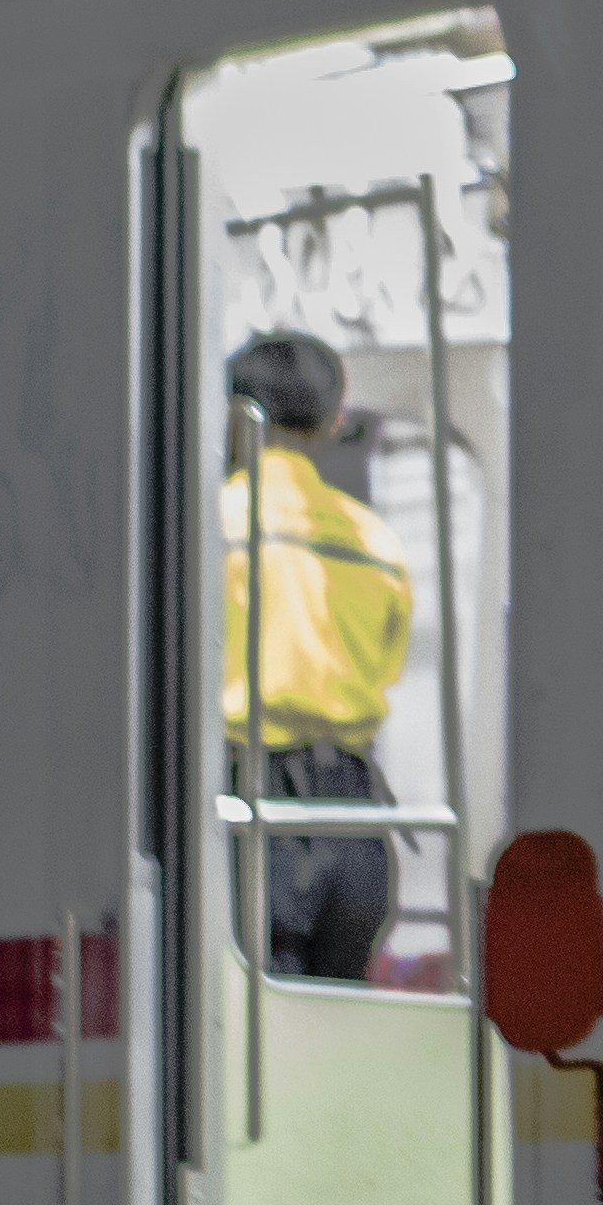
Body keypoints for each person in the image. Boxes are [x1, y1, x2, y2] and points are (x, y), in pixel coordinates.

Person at [222, 329, 415, 983]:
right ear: (334, 422)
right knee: (337, 1015)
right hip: (355, 814)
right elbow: (389, 662)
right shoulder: (376, 541)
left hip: (255, 803)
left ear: (235, 416)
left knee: (255, 1015)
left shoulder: (213, 522)